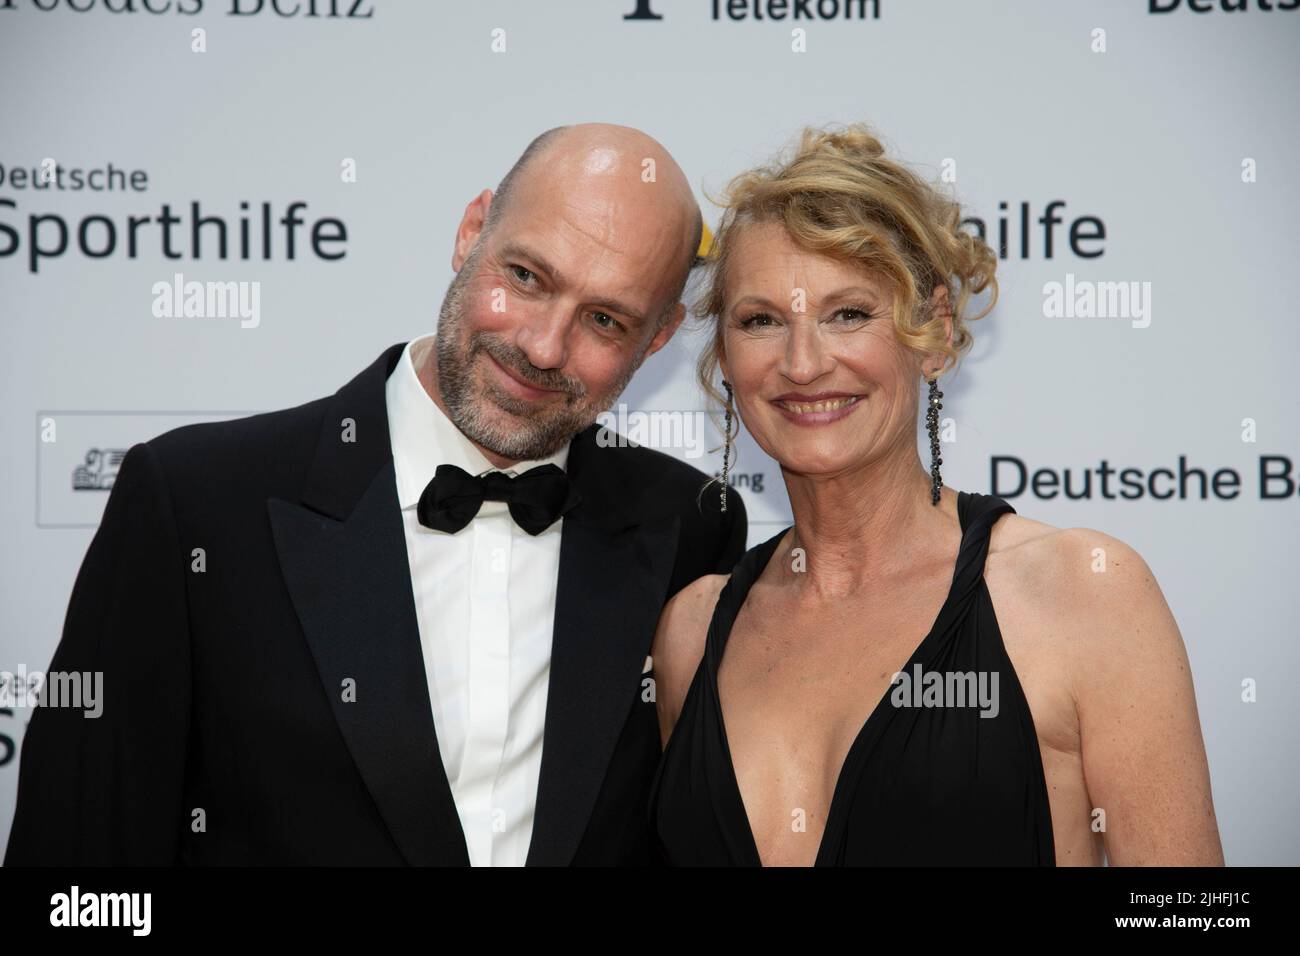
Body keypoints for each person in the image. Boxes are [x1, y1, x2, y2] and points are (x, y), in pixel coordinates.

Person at [5, 123, 747, 866]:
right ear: (470, 232)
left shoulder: (687, 526)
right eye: (526, 277)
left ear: (657, 340)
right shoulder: (195, 505)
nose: (543, 346)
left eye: (606, 320)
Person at [648, 124, 1223, 866]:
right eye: (761, 321)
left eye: (847, 313)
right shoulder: (690, 634)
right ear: (725, 357)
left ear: (935, 332)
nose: (802, 361)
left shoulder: (1079, 595)